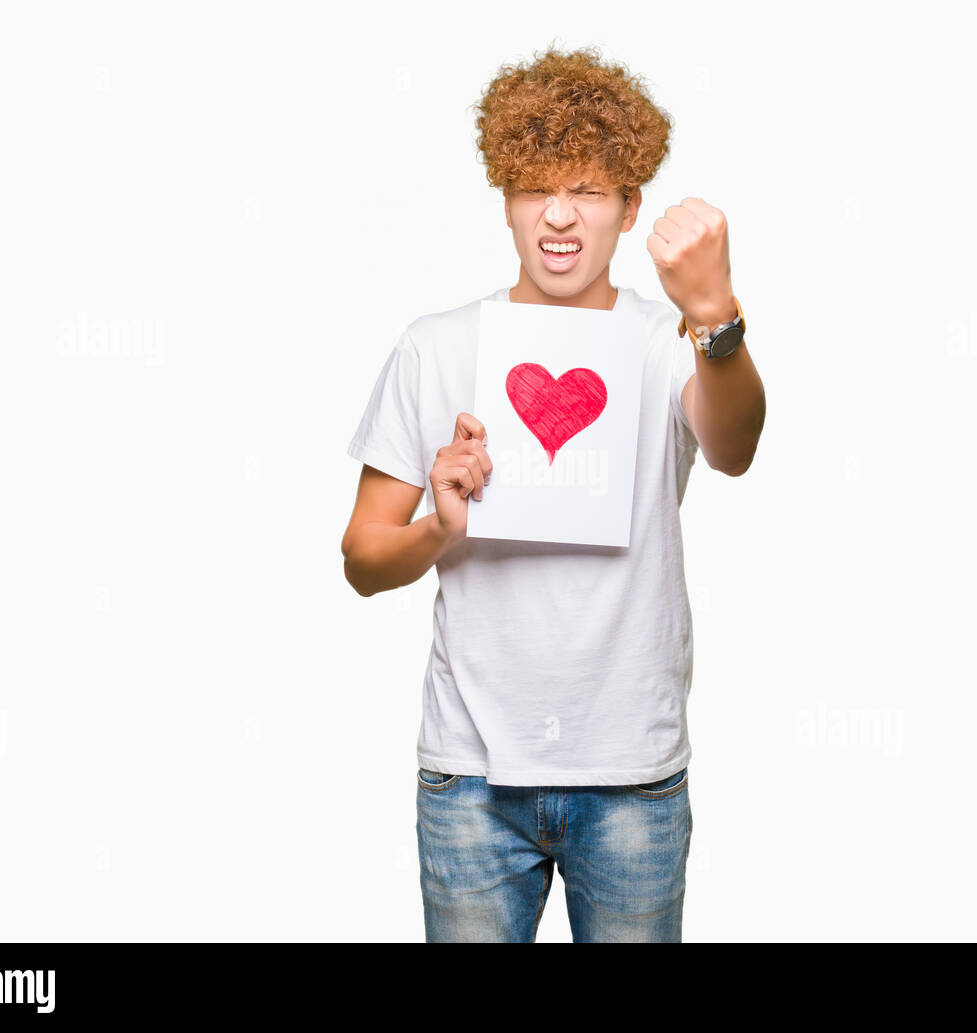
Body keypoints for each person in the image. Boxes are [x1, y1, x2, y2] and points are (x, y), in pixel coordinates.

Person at [342, 44, 766, 942]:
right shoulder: (438, 345)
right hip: (470, 780)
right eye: (537, 187)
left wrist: (716, 317)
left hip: (634, 774)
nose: (561, 214)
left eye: (590, 188)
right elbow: (362, 560)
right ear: (506, 199)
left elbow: (735, 447)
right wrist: (438, 526)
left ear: (629, 206)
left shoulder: (664, 343)